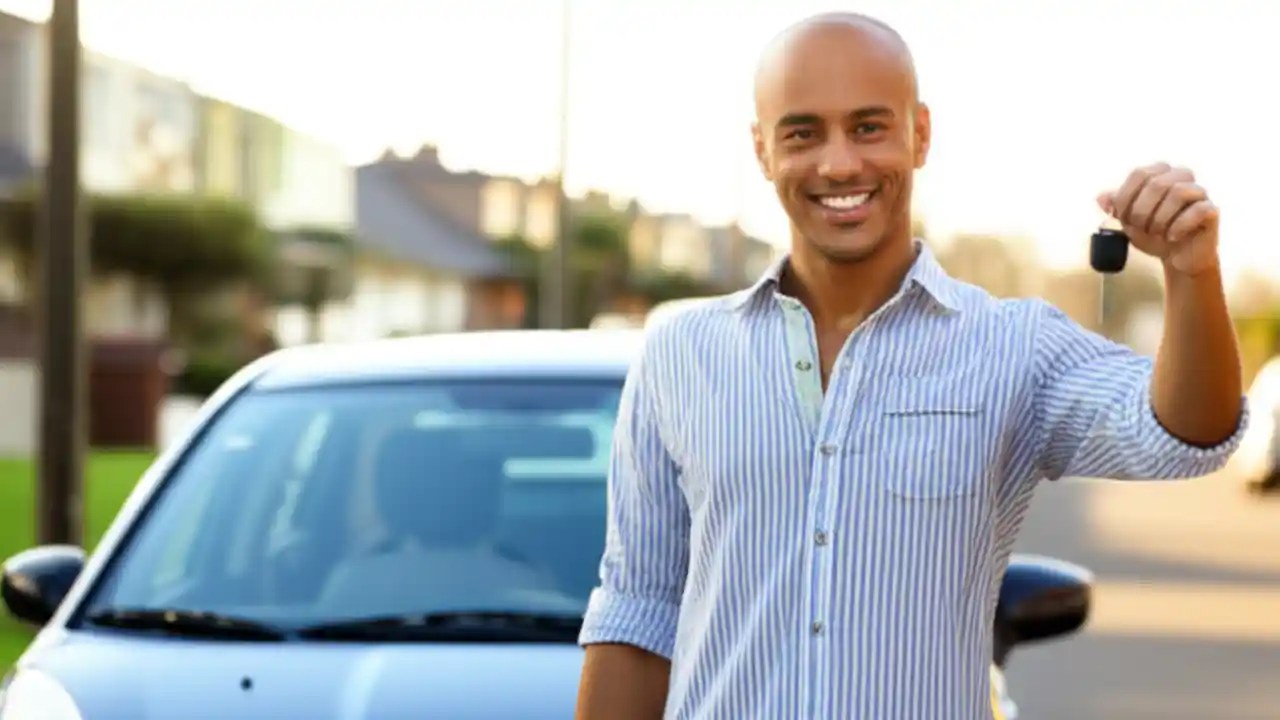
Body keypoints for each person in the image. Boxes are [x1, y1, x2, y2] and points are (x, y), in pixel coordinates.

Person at [573, 11, 1249, 720]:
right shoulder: (679, 352)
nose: (839, 164)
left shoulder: (1013, 346)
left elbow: (1183, 436)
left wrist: (1190, 272)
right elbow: (638, 611)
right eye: (803, 133)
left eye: (869, 127)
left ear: (920, 134)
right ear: (762, 150)